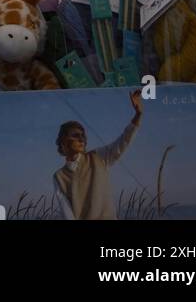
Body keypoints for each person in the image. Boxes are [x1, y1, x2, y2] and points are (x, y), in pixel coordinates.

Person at [52, 91, 143, 220]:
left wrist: (138, 115)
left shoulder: (97, 157)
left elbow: (123, 141)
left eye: (82, 135)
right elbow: (67, 213)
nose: (81, 139)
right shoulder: (59, 177)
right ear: (63, 142)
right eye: (75, 135)